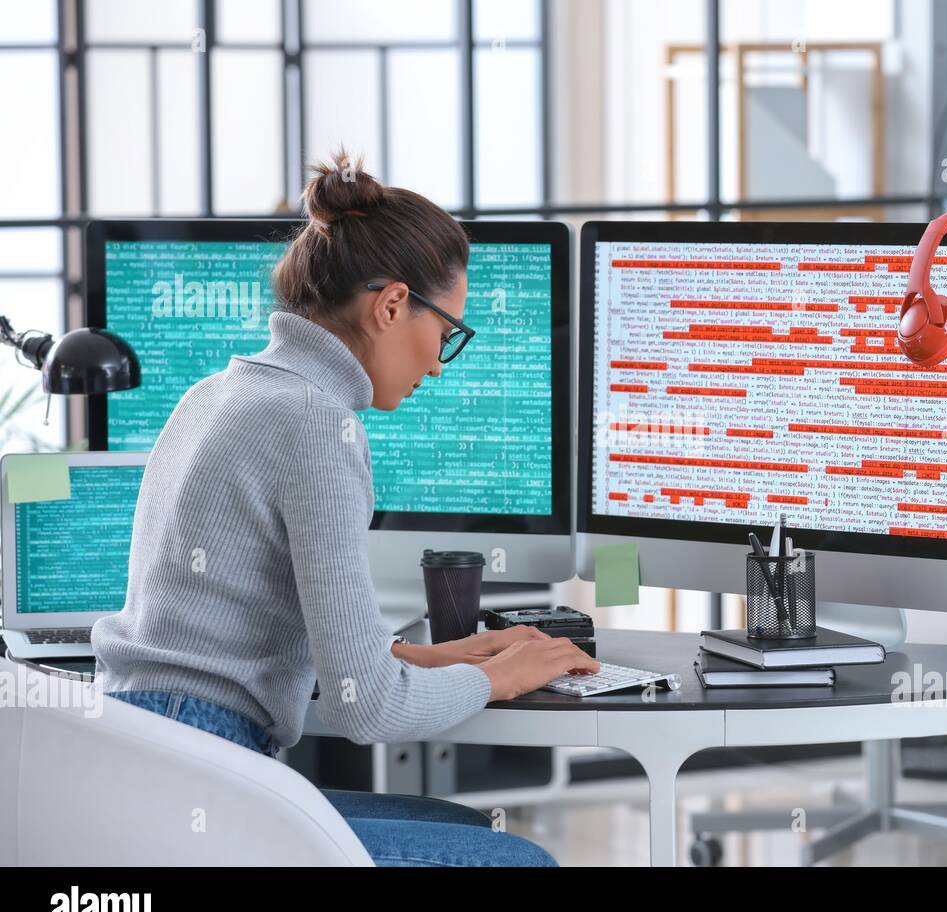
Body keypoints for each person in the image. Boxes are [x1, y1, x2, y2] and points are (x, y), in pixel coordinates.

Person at [91, 150, 596, 867]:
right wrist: (499, 676)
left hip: (141, 752)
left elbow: (268, 636)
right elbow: (368, 710)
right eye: (447, 333)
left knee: (463, 829)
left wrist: (435, 656)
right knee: (522, 863)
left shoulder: (218, 393)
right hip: (197, 771)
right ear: (392, 304)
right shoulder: (316, 422)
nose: (435, 363)